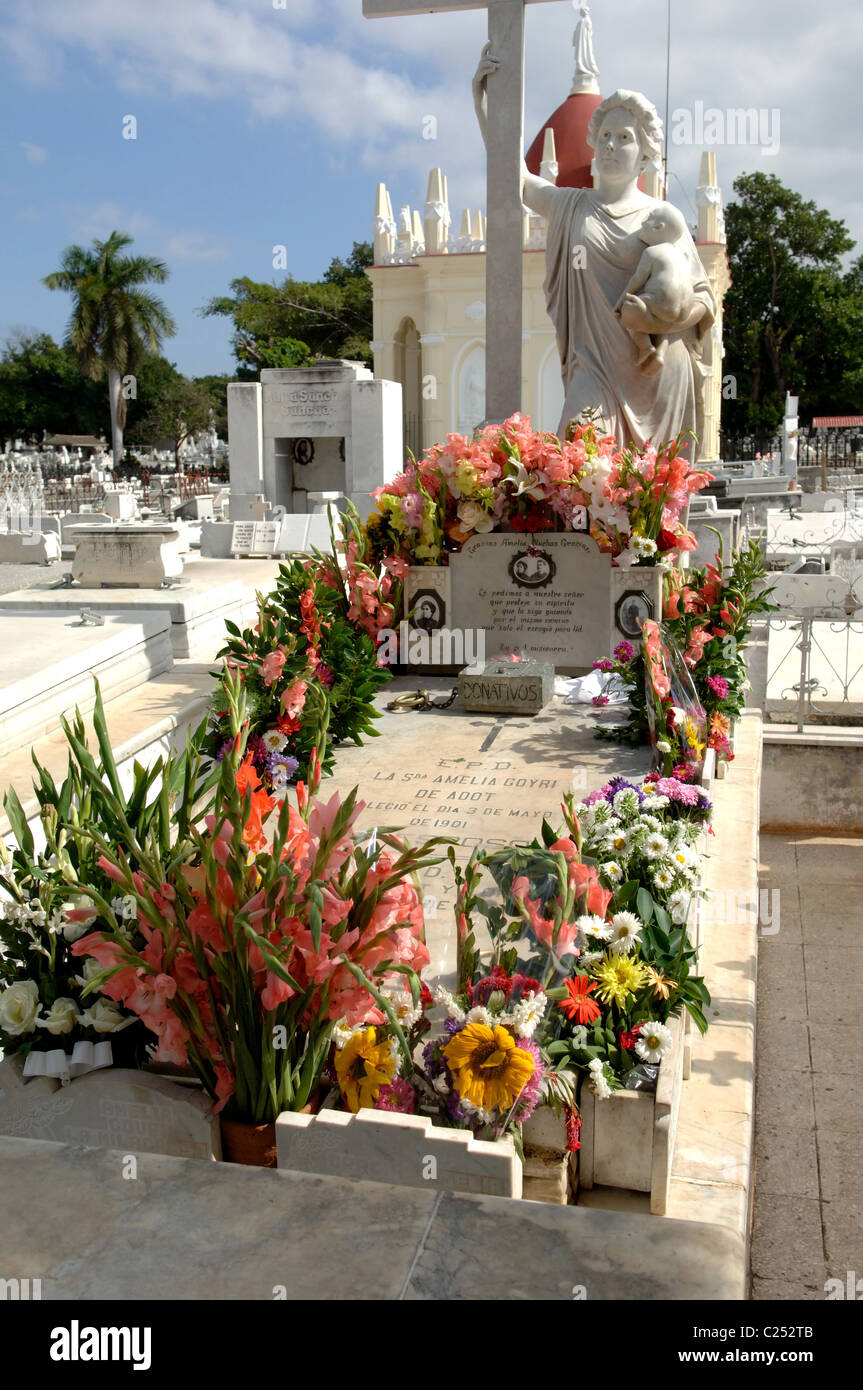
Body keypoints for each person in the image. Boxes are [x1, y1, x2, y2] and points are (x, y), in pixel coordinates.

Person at [473, 52, 714, 453]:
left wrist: (662, 316)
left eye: (624, 138)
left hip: (659, 375)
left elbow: (702, 299)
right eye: (604, 136)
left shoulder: (661, 218)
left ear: (645, 153)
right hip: (594, 367)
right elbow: (517, 179)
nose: (611, 145)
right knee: (577, 463)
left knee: (654, 501)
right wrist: (485, 103)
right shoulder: (571, 206)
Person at [615, 202, 696, 372]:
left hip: (661, 301)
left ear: (659, 227)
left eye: (648, 219)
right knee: (663, 320)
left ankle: (645, 348)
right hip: (685, 309)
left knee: (630, 310)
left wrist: (621, 300)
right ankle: (661, 352)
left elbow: (637, 279)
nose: (642, 223)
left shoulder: (652, 252)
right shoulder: (683, 256)